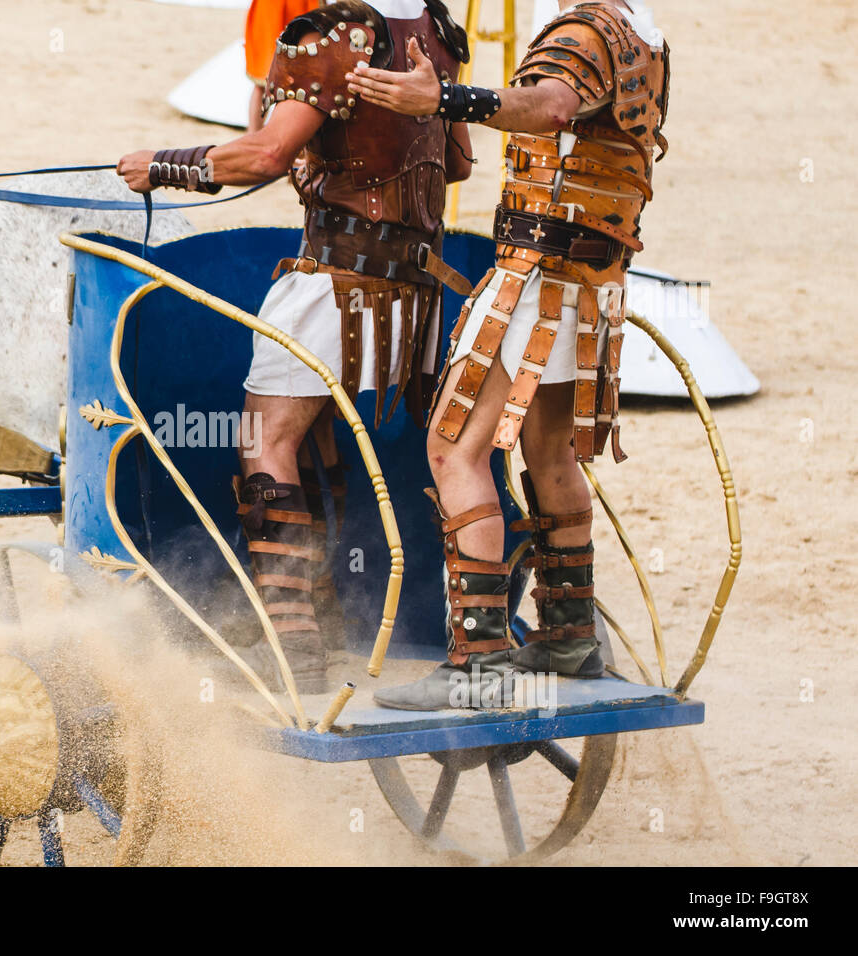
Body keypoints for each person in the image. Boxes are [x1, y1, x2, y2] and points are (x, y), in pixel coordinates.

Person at [118, 0, 474, 693]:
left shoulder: (329, 33)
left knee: (266, 436)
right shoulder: (435, 28)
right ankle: (325, 616)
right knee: (313, 440)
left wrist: (162, 165)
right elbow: (455, 163)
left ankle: (293, 640)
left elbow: (266, 153)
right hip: (415, 297)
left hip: (334, 286)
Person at [343, 0, 670, 710]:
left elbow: (551, 107)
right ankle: (568, 632)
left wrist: (444, 100)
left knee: (453, 449)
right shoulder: (640, 31)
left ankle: (480, 659)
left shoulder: (584, 30)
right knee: (550, 457)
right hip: (590, 279)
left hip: (538, 274)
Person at [244, 1, 322, 133]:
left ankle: (268, 134)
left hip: (299, 7)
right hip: (277, 7)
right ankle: (254, 134)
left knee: (300, 79)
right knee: (264, 77)